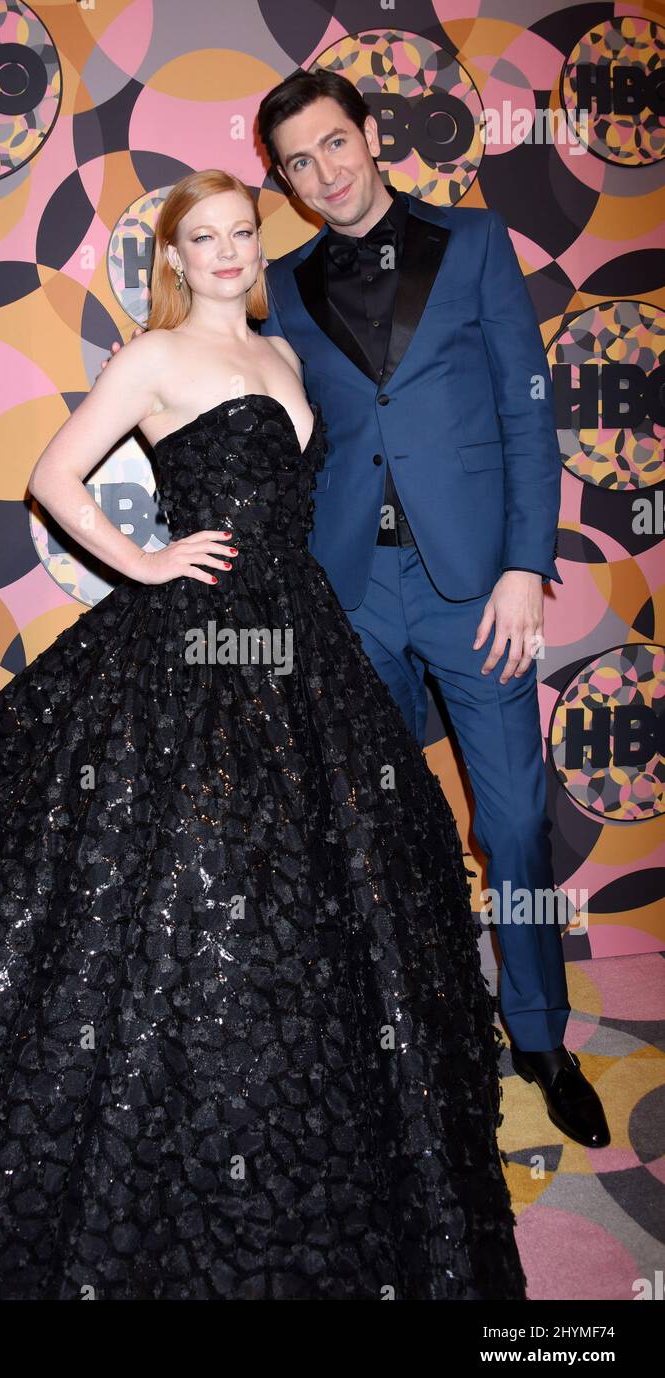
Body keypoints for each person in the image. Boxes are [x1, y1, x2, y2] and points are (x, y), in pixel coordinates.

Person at [0, 168, 527, 1301]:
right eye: (208, 238)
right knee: (183, 869)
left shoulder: (287, 356)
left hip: (305, 642)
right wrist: (146, 559)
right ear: (176, 258)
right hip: (196, 644)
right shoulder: (150, 360)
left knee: (321, 883)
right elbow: (55, 478)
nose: (234, 252)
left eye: (246, 232)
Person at [253, 68, 608, 1149]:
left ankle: (540, 1037)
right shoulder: (284, 279)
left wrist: (521, 565)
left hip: (474, 589)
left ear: (370, 131)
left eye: (333, 144)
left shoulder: (478, 242)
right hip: (353, 591)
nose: (324, 173)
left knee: (509, 822)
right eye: (297, 164)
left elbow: (524, 408)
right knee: (365, 829)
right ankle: (401, 1030)